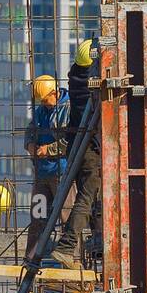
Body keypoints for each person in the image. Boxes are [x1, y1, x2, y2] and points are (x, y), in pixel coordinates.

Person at [42, 39, 101, 269]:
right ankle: (66, 247)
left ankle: (97, 245)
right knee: (87, 198)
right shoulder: (91, 87)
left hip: (76, 146)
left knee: (91, 198)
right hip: (89, 148)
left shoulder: (76, 80)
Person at [24, 73, 69, 259]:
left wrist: (48, 150)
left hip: (62, 173)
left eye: (45, 99)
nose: (44, 103)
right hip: (42, 175)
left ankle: (70, 258)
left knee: (67, 216)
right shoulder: (41, 111)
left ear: (55, 92)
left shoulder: (68, 109)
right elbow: (30, 130)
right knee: (38, 217)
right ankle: (31, 259)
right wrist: (30, 145)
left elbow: (72, 140)